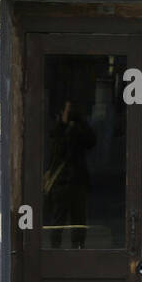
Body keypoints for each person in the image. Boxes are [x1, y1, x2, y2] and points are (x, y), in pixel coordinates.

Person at [45, 100, 96, 248]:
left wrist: (78, 123)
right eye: (67, 110)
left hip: (78, 180)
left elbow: (91, 141)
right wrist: (63, 125)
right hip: (61, 181)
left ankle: (78, 247)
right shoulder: (57, 129)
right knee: (58, 220)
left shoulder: (78, 127)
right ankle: (55, 249)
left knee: (78, 219)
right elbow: (57, 151)